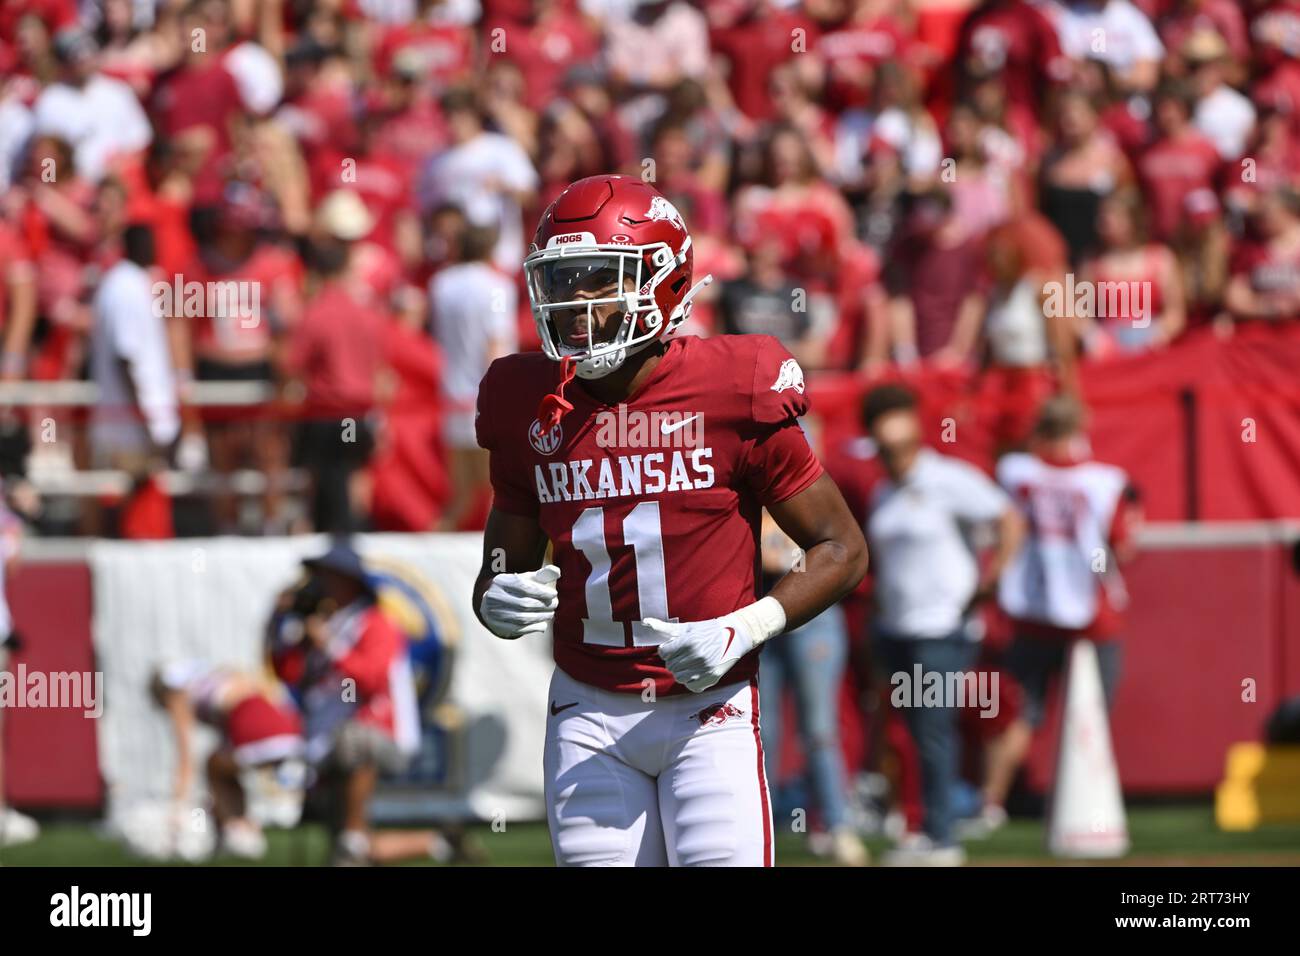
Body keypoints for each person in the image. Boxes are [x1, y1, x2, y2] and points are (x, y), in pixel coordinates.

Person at [472, 175, 868, 867]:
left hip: (707, 711)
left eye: (598, 279)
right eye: (561, 279)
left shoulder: (733, 384)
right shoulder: (522, 397)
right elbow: (501, 570)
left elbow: (841, 548)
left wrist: (743, 627)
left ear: (665, 282)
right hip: (587, 711)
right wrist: (497, 599)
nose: (574, 302)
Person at [861, 383, 1025, 865]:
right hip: (896, 628)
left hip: (942, 628)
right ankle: (918, 827)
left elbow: (1008, 517)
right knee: (907, 734)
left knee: (933, 730)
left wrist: (992, 580)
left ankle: (943, 837)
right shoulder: (882, 492)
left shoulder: (947, 478)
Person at [981, 395, 1141, 827]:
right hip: (1092, 615)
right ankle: (1084, 803)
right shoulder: (1105, 482)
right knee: (1092, 713)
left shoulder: (1016, 473)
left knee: (1019, 714)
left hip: (1032, 610)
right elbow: (1124, 545)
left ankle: (990, 804)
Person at [267, 542, 424, 866]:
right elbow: (288, 673)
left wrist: (328, 644)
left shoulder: (375, 621)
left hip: (380, 735)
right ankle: (439, 842)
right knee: (347, 853)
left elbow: (370, 681)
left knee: (354, 738)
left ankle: (353, 836)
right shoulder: (326, 624)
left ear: (348, 580)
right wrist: (279, 618)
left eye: (327, 576)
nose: (319, 584)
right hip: (327, 741)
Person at [758, 512, 867, 866]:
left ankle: (837, 826)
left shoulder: (802, 499)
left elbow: (805, 558)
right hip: (761, 620)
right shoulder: (742, 498)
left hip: (813, 618)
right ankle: (763, 829)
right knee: (762, 732)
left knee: (819, 730)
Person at [149, 661, 304, 859]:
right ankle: (242, 827)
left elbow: (186, 755)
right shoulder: (218, 679)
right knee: (224, 767)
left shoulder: (180, 700)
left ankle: (237, 828)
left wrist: (178, 804)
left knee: (213, 764)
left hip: (261, 739)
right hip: (291, 733)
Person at [428, 219, 516, 530]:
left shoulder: (441, 284)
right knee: (507, 495)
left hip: (453, 400)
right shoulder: (497, 286)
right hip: (485, 401)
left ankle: (432, 556)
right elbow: (496, 348)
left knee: (461, 497)